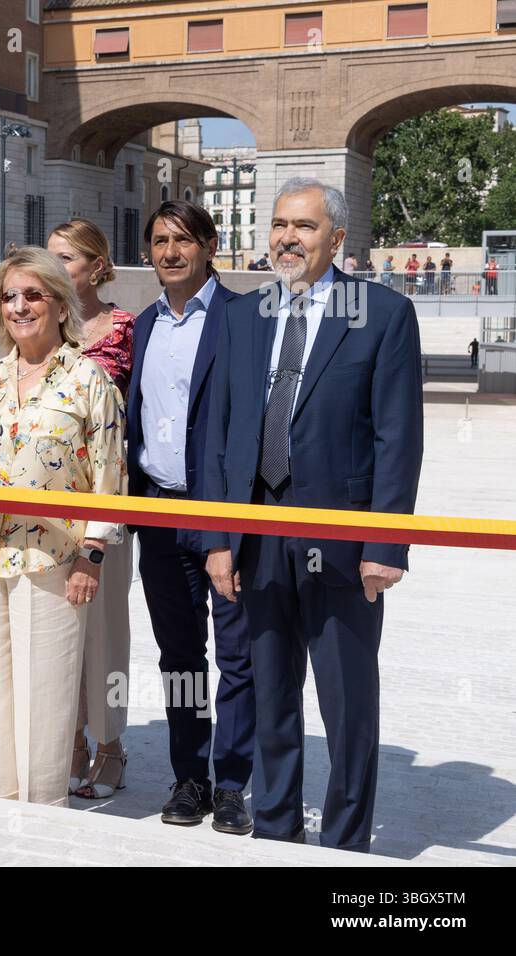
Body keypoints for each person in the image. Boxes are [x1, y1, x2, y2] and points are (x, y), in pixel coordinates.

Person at [204, 178, 423, 852]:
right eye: (278, 224)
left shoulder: (381, 314)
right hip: (259, 534)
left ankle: (347, 841)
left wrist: (386, 545)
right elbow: (221, 433)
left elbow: (398, 437)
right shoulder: (242, 316)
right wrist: (218, 538)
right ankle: (273, 830)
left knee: (346, 701)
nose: (286, 238)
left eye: (303, 226)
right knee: (270, 694)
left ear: (337, 238)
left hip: (344, 542)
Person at [0, 247, 125, 806]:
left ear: (60, 305)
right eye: (9, 296)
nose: (19, 306)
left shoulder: (90, 380)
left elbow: (109, 476)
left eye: (33, 295)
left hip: (53, 561)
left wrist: (92, 555)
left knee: (45, 696)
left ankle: (43, 811)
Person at [127, 200, 254, 834]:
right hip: (157, 511)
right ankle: (190, 778)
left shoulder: (243, 318)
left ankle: (232, 784)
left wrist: (230, 525)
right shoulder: (145, 325)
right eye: (158, 241)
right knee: (179, 655)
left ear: (208, 246)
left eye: (182, 240)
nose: (169, 252)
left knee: (236, 656)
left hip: (222, 516)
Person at [46, 219, 136, 799]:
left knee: (106, 630)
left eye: (68, 260)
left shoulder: (127, 327)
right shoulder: (37, 323)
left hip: (104, 496)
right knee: (56, 626)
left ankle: (110, 744)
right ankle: (70, 740)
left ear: (97, 266)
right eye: (49, 258)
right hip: (47, 502)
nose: (56, 270)